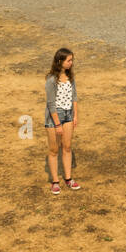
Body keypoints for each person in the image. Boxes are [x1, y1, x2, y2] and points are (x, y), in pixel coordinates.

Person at [44, 48, 81, 193]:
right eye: (69, 60)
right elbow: (51, 104)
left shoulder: (70, 78)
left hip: (68, 115)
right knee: (54, 149)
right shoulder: (51, 80)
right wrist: (57, 124)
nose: (71, 63)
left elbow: (75, 97)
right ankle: (55, 181)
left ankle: (68, 178)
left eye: (72, 60)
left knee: (67, 147)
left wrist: (75, 116)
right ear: (60, 61)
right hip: (55, 117)